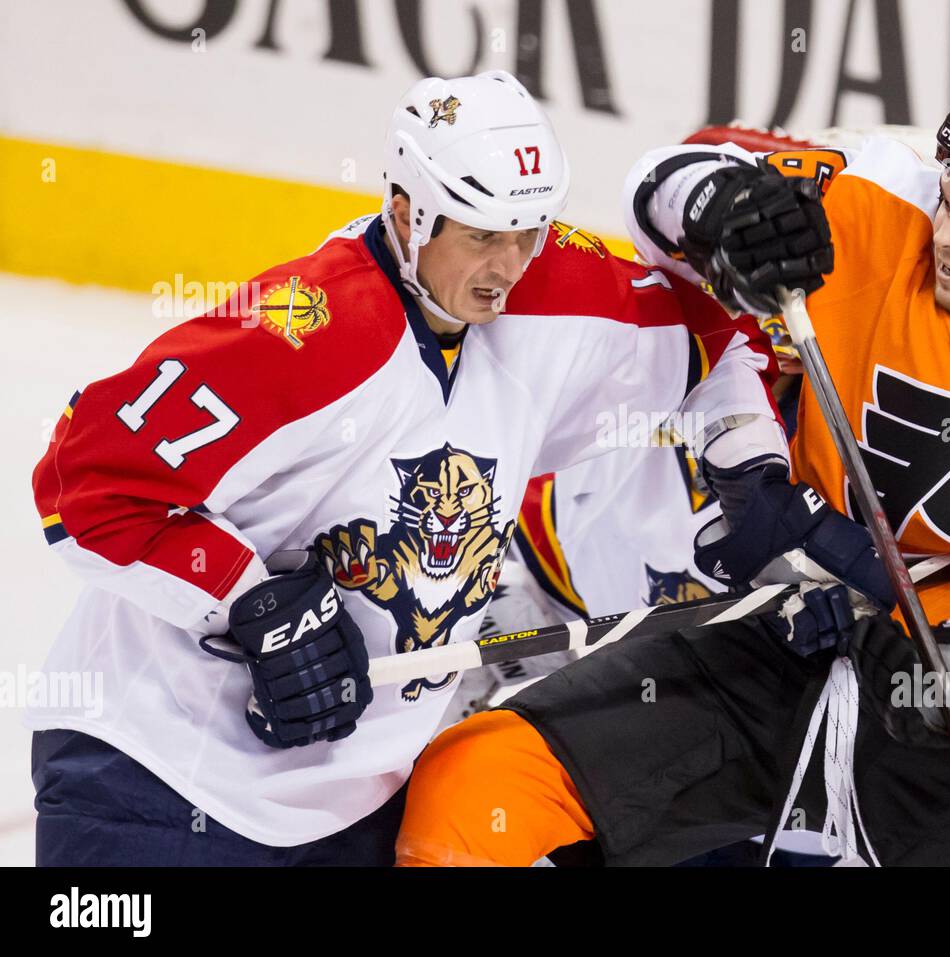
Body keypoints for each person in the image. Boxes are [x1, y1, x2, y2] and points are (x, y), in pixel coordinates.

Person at [394, 79, 950, 867]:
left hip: (945, 705)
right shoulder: (879, 207)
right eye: (949, 200)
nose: (942, 232)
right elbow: (660, 186)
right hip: (774, 635)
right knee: (474, 783)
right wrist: (720, 205)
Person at [27, 70, 783, 866]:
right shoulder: (305, 329)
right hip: (154, 773)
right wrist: (248, 601)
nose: (510, 264)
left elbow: (725, 335)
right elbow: (83, 485)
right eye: (482, 235)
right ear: (406, 213)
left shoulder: (551, 291)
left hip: (357, 805)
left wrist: (754, 469)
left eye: (528, 231)